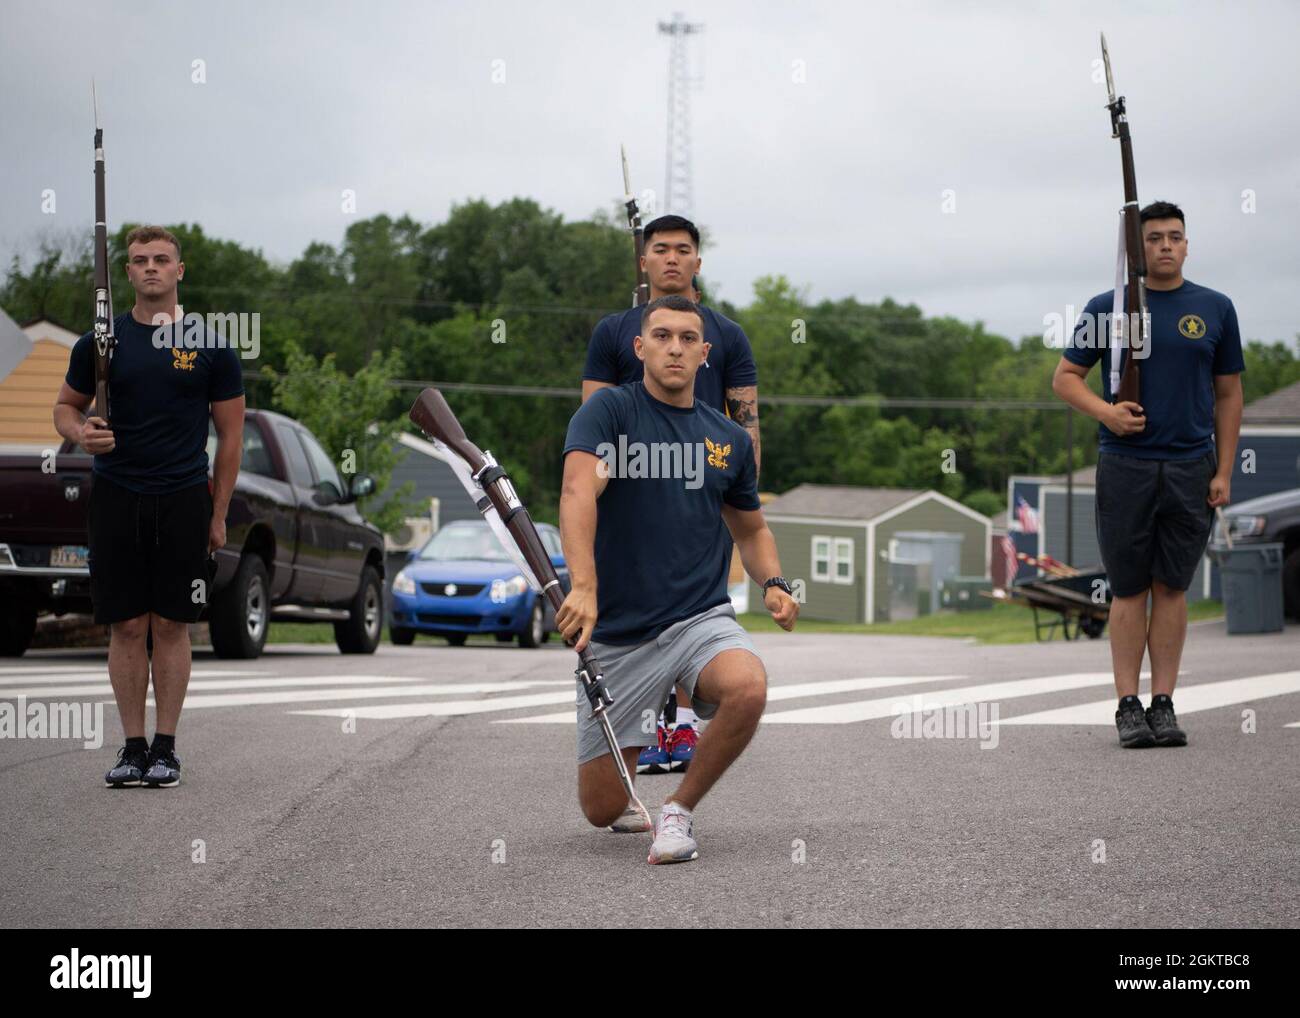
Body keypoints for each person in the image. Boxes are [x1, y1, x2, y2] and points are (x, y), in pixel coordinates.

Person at [558, 294, 797, 864]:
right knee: (601, 807)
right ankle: (632, 783)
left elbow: (752, 530)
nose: (675, 347)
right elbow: (576, 492)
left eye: (688, 339)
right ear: (640, 348)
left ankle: (679, 810)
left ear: (704, 354)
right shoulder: (609, 414)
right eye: (661, 336)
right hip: (619, 634)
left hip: (698, 619)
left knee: (749, 686)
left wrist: (776, 583)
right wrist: (584, 585)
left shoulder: (728, 442)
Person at [53, 225, 245, 787]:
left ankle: (166, 748)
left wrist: (218, 513)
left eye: (162, 259)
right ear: (127, 273)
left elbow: (230, 437)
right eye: (140, 261)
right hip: (116, 497)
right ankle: (132, 748)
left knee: (171, 622)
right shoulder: (100, 342)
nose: (151, 268)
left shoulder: (211, 344)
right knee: (126, 624)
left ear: (179, 271)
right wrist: (81, 431)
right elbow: (66, 407)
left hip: (183, 497)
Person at [1052, 201, 1244, 749]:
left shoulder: (1215, 308)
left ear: (1187, 245)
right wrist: (1107, 412)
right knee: (1129, 588)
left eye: (1175, 237)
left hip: (1191, 466)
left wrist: (1224, 470)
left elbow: (1229, 394)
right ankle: (1127, 706)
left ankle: (1164, 703)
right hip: (1125, 465)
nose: (1165, 245)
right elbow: (1065, 378)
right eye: (1154, 237)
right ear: (1138, 248)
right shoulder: (1107, 307)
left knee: (1173, 587)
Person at [582, 214, 761, 774]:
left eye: (683, 250)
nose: (671, 259)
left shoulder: (726, 334)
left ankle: (682, 728)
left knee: (691, 606)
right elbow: (591, 414)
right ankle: (636, 736)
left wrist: (745, 488)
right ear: (645, 260)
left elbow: (746, 415)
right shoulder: (614, 331)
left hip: (702, 483)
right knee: (636, 616)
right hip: (632, 486)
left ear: (697, 262)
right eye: (660, 249)